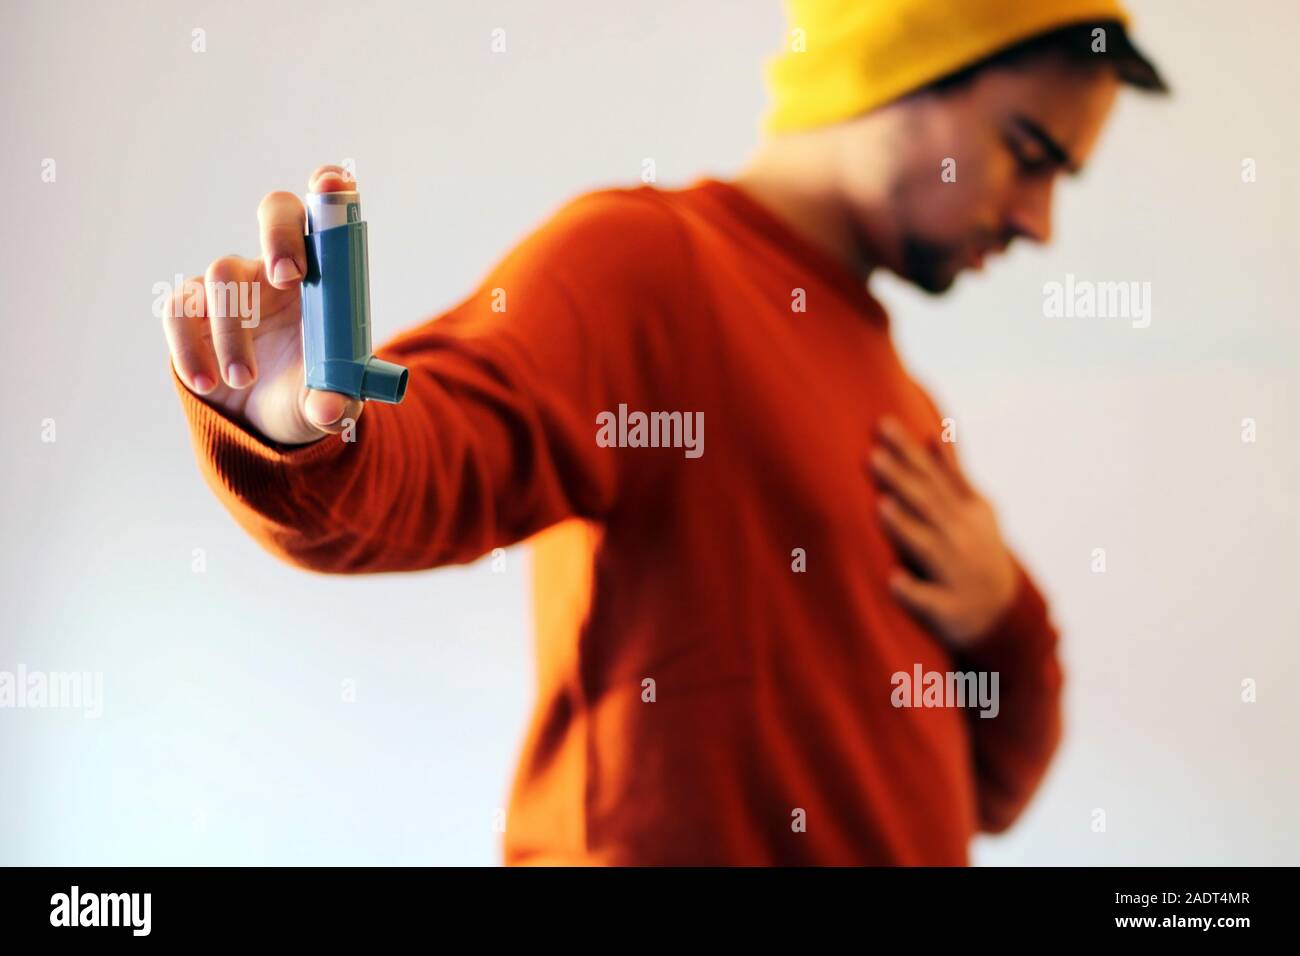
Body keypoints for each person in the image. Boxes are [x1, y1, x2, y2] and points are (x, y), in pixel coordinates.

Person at [161, 0, 1166, 864]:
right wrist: (304, 427)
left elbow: (992, 787)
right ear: (903, 65)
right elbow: (428, 461)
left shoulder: (903, 398)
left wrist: (1004, 615)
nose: (1039, 223)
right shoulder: (646, 266)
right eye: (1027, 153)